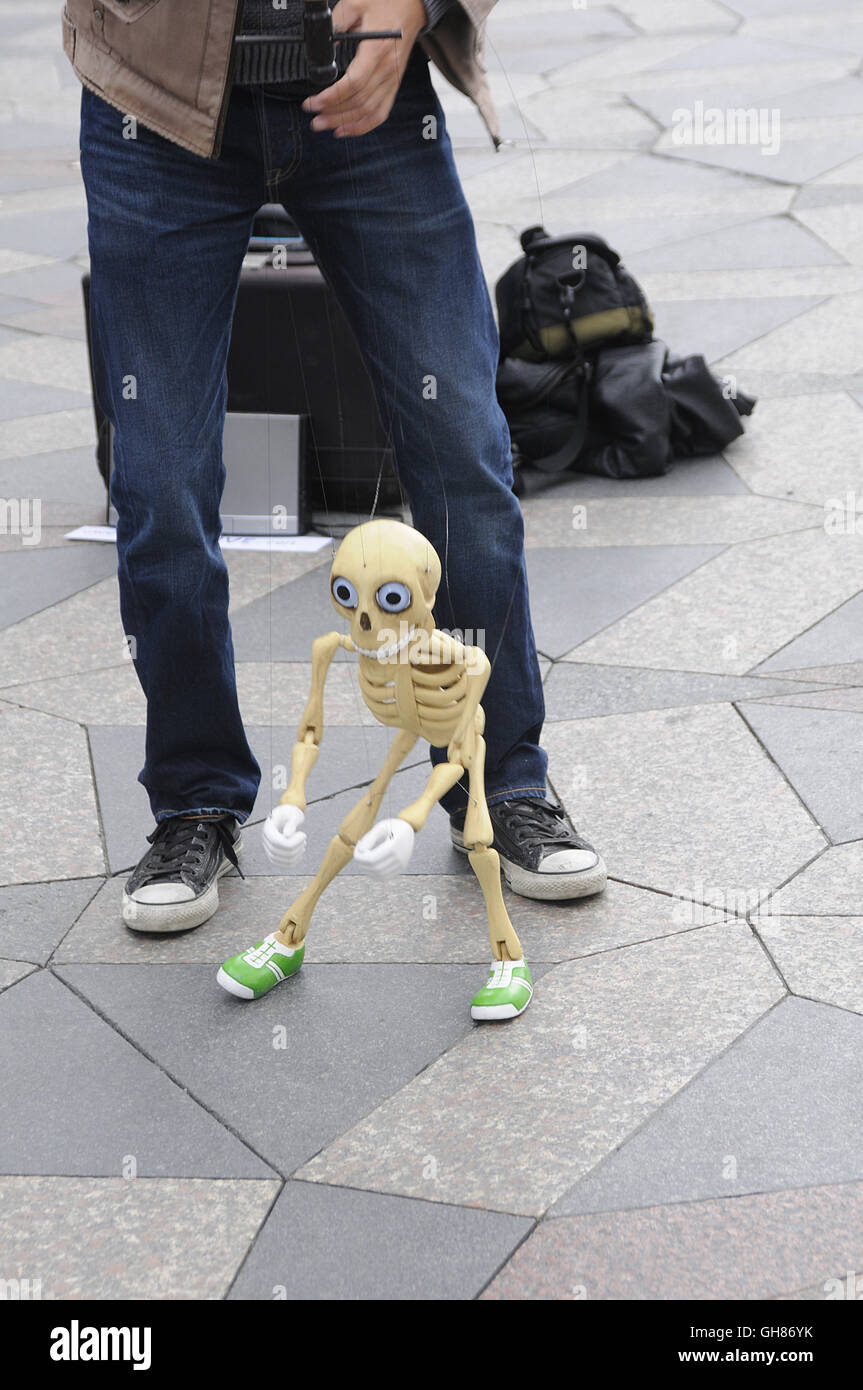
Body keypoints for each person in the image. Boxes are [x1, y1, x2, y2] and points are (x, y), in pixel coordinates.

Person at [65, 0, 607, 935]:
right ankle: (195, 800)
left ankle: (498, 780)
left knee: (464, 458)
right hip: (151, 106)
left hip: (369, 95)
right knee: (159, 486)